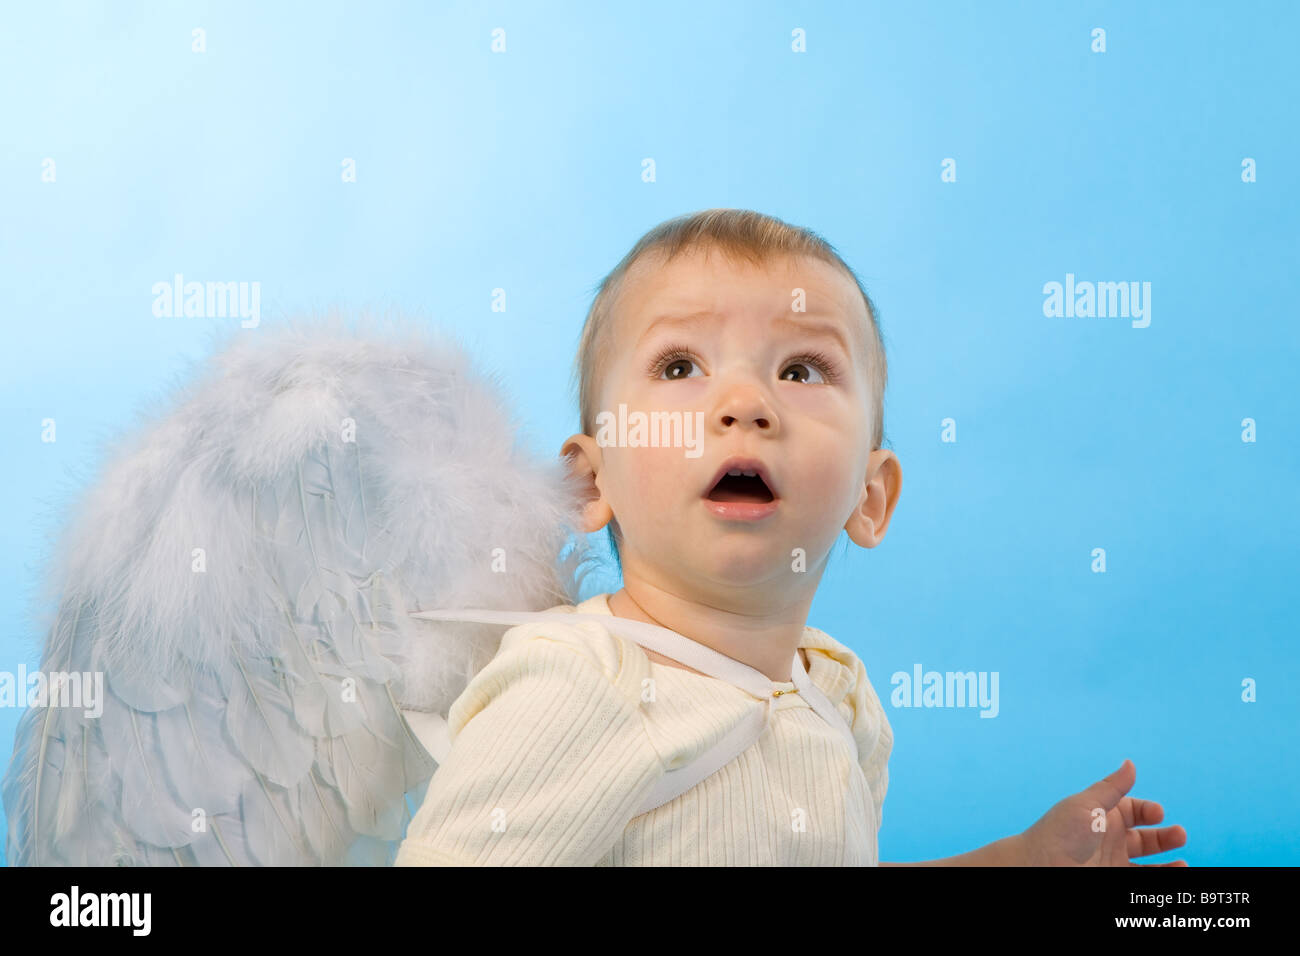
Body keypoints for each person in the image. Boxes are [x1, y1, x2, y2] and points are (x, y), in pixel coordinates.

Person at [394, 208, 1187, 866]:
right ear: (590, 484)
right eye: (679, 367)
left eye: (803, 371)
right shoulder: (577, 690)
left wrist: (1019, 858)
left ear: (870, 498)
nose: (745, 402)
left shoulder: (839, 695)